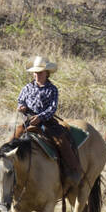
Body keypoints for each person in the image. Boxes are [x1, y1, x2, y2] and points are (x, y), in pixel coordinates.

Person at [17, 56, 82, 191]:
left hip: (47, 122)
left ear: (47, 73)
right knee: (14, 138)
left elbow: (52, 108)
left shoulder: (52, 89)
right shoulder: (27, 87)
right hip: (28, 120)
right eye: (35, 72)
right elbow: (20, 101)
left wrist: (40, 117)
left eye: (40, 73)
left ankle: (72, 170)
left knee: (61, 140)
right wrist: (21, 107)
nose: (37, 75)